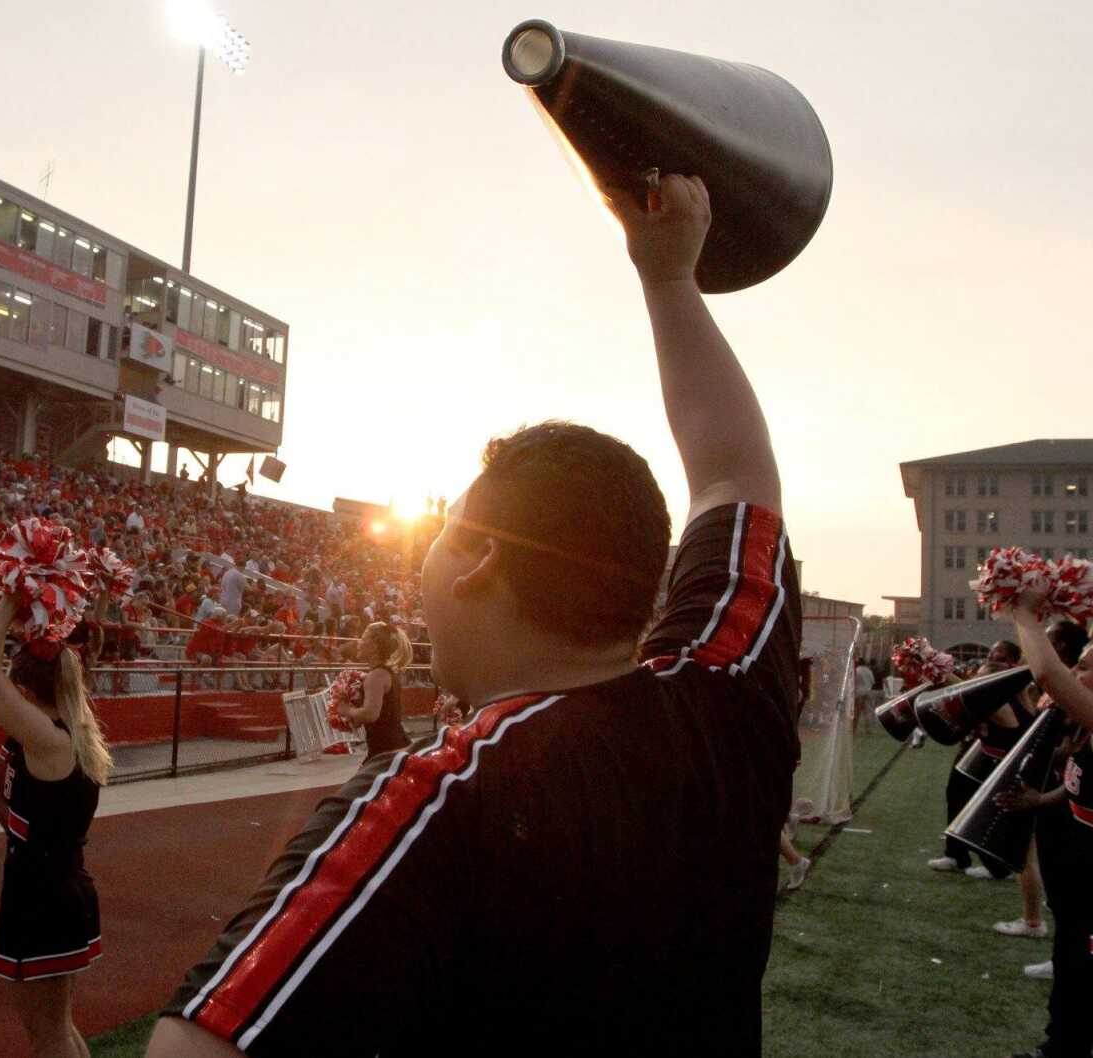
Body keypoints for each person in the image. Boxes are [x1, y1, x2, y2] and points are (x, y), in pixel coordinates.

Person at [147, 174, 800, 1056]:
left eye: (444, 533)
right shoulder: (726, 690)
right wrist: (669, 276)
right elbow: (734, 473)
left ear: (483, 562)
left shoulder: (440, 797)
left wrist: (666, 274)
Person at [0, 595, 112, 1058]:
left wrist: (12, 594)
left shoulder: (50, 740)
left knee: (47, 1033)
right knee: (56, 1027)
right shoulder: (70, 733)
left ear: (25, 694)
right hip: (55, 885)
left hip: (43, 894)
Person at [999, 601, 1093, 1058]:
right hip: (1079, 845)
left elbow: (1049, 673)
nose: (1078, 672)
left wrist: (1022, 608)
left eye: (1086, 667)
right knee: (1072, 957)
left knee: (1083, 963)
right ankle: (1061, 1047)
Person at [928, 639, 1031, 880]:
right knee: (960, 801)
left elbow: (965, 692)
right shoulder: (1010, 698)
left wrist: (934, 665)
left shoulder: (1002, 707)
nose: (977, 682)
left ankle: (998, 867)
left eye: (982, 680)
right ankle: (959, 856)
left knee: (985, 817)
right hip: (986, 760)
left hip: (999, 768)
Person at [333, 621, 413, 761]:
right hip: (391, 747)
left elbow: (370, 714)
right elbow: (378, 715)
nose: (359, 643)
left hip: (387, 751)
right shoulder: (383, 673)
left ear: (374, 646)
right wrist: (353, 717)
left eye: (363, 638)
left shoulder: (376, 676)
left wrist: (346, 709)